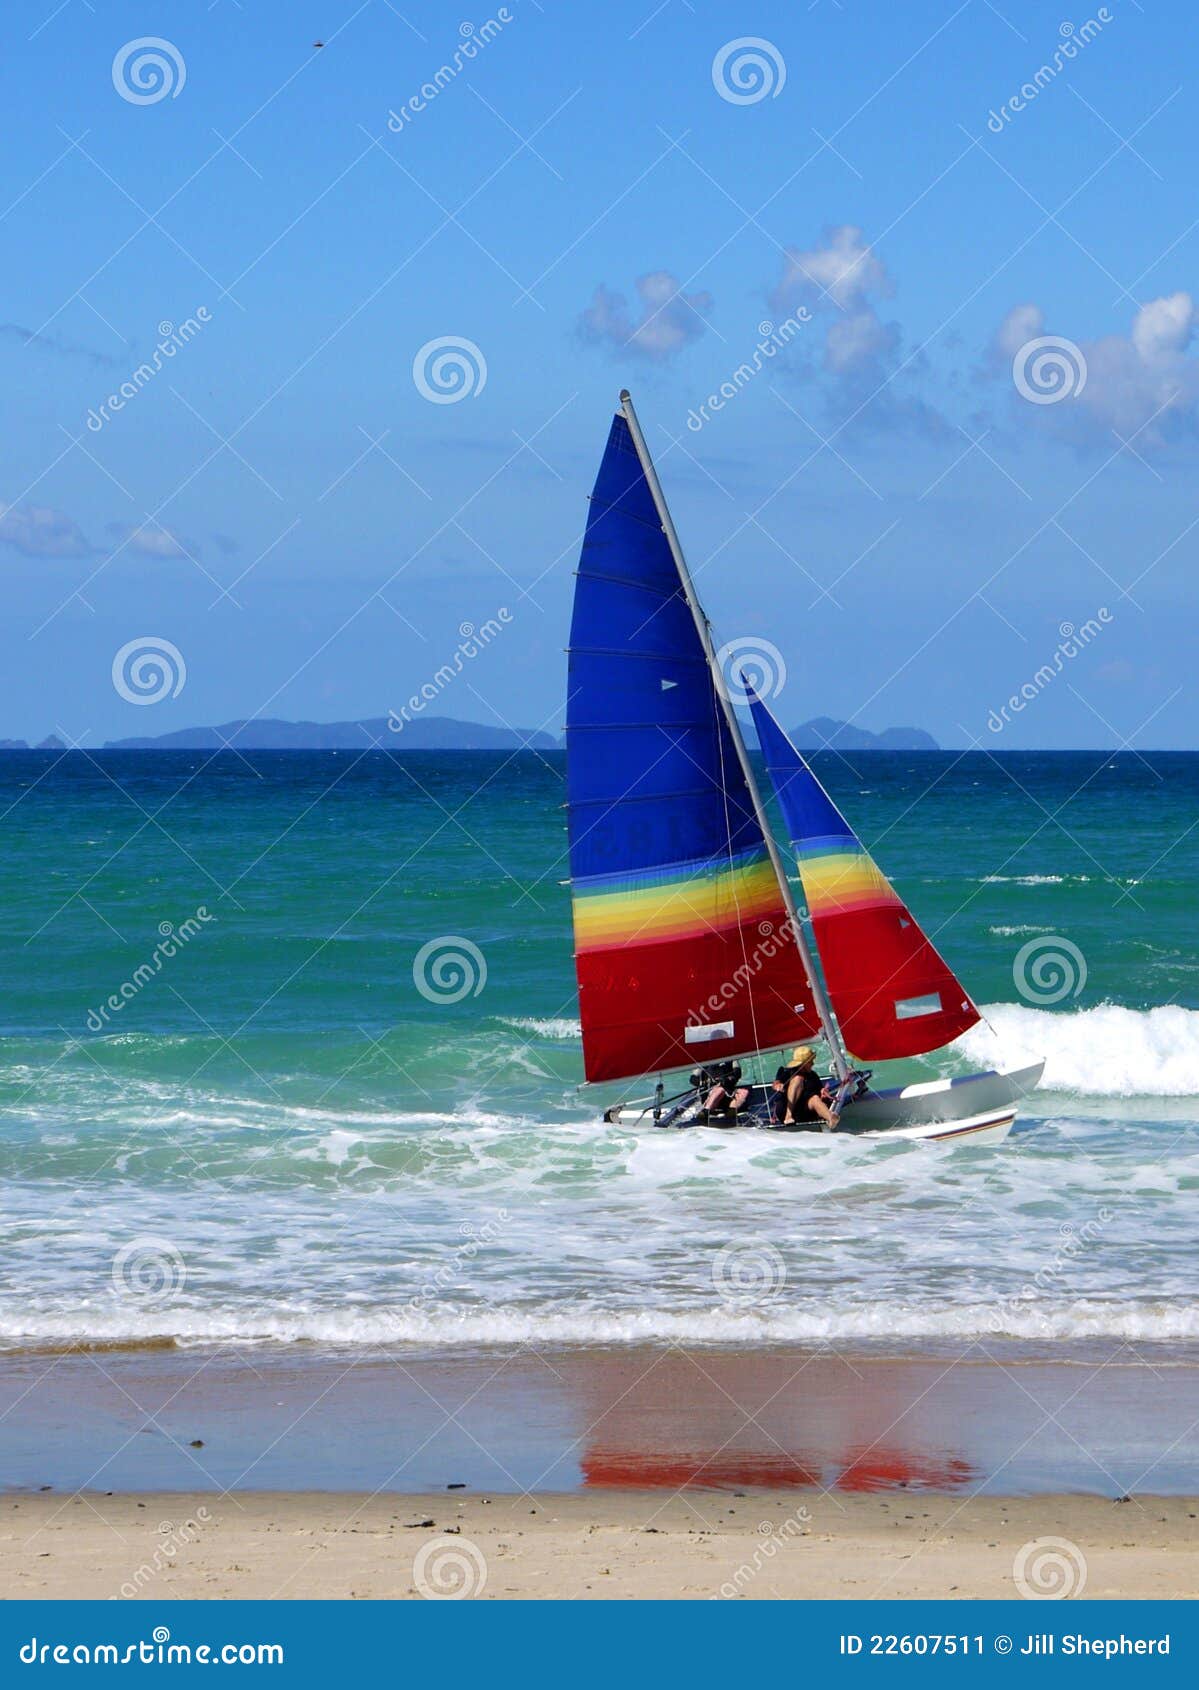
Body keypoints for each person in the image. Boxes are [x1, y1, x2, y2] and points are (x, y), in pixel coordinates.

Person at [771, 1046, 839, 1130]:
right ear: (803, 1063)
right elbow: (776, 1083)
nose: (813, 1063)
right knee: (798, 1079)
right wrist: (778, 1085)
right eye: (810, 1062)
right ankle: (788, 1115)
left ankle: (830, 1118)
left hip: (803, 1112)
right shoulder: (786, 1072)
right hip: (784, 1110)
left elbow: (820, 1090)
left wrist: (823, 1091)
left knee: (815, 1098)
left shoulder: (813, 1075)